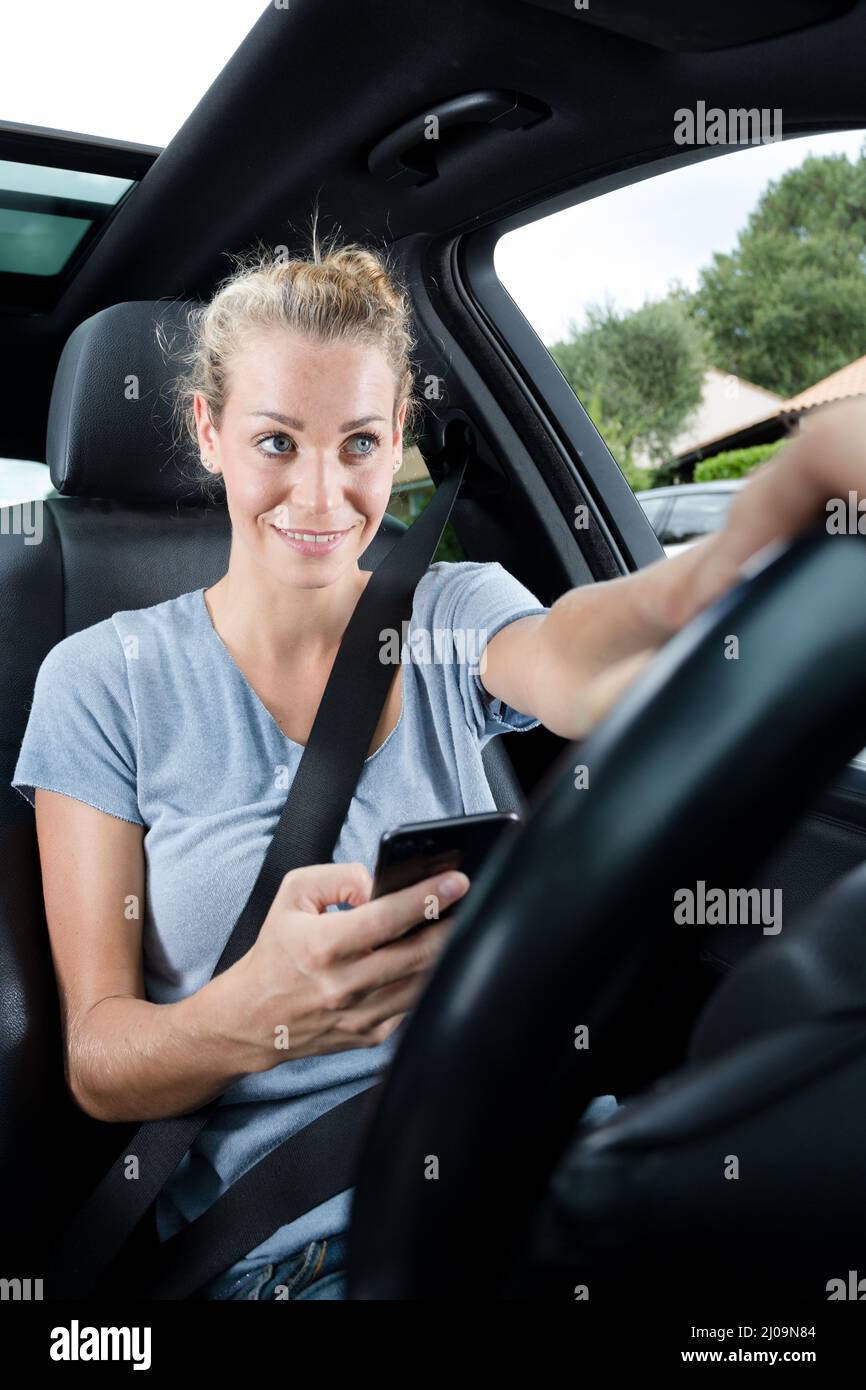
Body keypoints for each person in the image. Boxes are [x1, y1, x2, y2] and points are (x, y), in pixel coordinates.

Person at [11, 223, 866, 1301]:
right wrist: (259, 1012)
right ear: (209, 429)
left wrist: (718, 567)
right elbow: (97, 1060)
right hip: (306, 1253)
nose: (323, 499)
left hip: (552, 1182)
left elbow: (575, 660)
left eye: (359, 444)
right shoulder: (103, 677)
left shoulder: (451, 609)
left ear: (399, 435)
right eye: (277, 441)